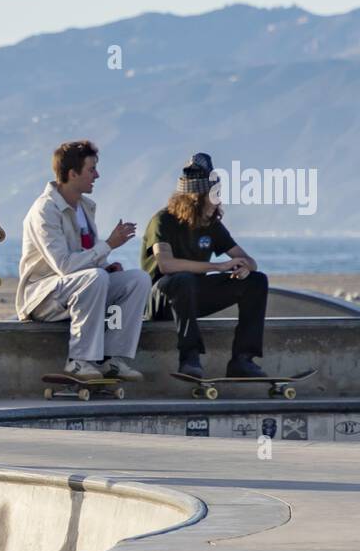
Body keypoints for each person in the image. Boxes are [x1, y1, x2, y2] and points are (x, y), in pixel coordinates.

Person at [16, 140, 150, 380]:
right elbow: (65, 266)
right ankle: (79, 361)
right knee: (95, 278)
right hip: (43, 296)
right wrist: (108, 245)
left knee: (137, 280)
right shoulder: (45, 210)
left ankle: (112, 359)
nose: (97, 175)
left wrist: (105, 267)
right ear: (72, 173)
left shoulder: (85, 208)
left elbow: (84, 258)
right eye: (91, 169)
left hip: (78, 288)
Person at [141, 153, 269, 380]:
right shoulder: (163, 220)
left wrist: (243, 267)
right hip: (161, 300)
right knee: (183, 279)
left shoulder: (211, 225)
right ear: (197, 197)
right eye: (215, 193)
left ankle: (242, 360)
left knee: (257, 281)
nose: (220, 198)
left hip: (194, 297)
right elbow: (166, 264)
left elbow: (249, 260)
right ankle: (189, 358)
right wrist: (218, 267)